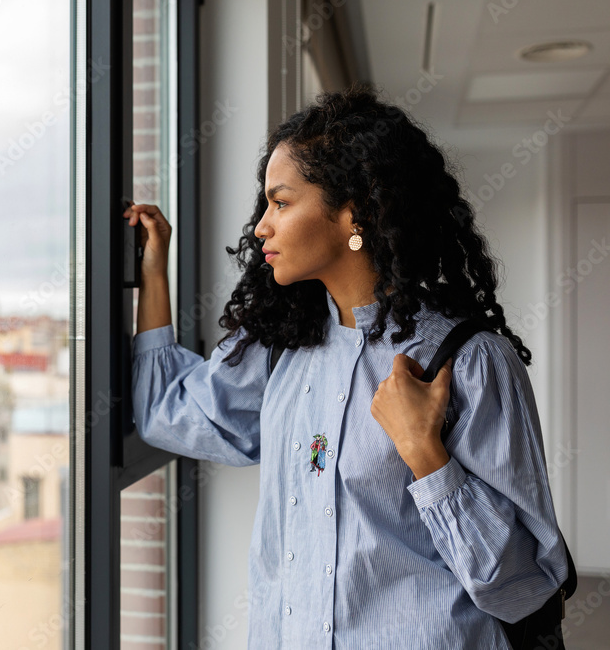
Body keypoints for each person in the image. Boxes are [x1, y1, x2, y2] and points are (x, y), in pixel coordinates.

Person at [124, 82, 569, 649]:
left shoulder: (468, 361)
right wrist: (152, 272)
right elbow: (169, 410)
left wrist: (427, 457)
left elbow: (522, 585)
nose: (261, 225)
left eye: (281, 203)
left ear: (353, 213)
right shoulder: (282, 347)